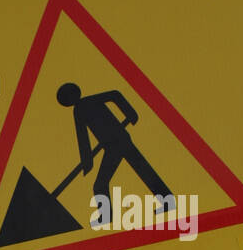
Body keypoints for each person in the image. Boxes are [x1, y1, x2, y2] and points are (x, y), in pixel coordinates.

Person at [57, 82, 174, 223]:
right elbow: (83, 137)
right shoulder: (81, 108)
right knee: (144, 170)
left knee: (100, 184)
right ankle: (168, 201)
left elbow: (114, 94)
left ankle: (106, 216)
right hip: (119, 140)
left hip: (115, 145)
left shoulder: (83, 106)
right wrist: (87, 161)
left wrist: (131, 114)